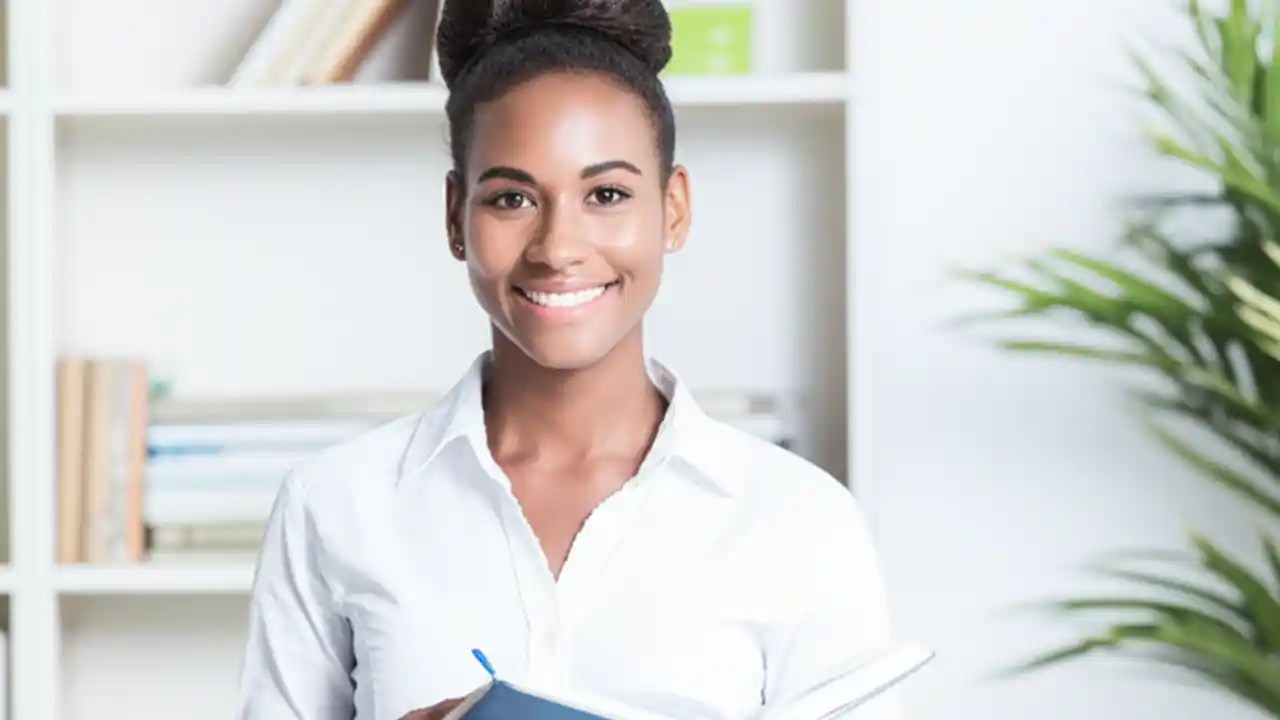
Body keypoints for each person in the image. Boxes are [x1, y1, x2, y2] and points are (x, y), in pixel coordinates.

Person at [236, 1, 898, 718]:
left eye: (606, 194)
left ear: (673, 209)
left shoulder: (798, 520)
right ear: (455, 215)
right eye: (512, 198)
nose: (558, 248)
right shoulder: (336, 506)